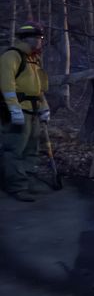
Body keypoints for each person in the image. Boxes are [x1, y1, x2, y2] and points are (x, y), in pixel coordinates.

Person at [0, 21, 50, 202]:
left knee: (31, 149)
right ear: (26, 38)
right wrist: (14, 108)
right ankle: (16, 186)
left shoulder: (34, 59)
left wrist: (44, 107)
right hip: (18, 111)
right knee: (14, 150)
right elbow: (7, 85)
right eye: (37, 37)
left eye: (41, 38)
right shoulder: (11, 56)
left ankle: (28, 181)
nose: (40, 41)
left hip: (33, 111)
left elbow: (39, 88)